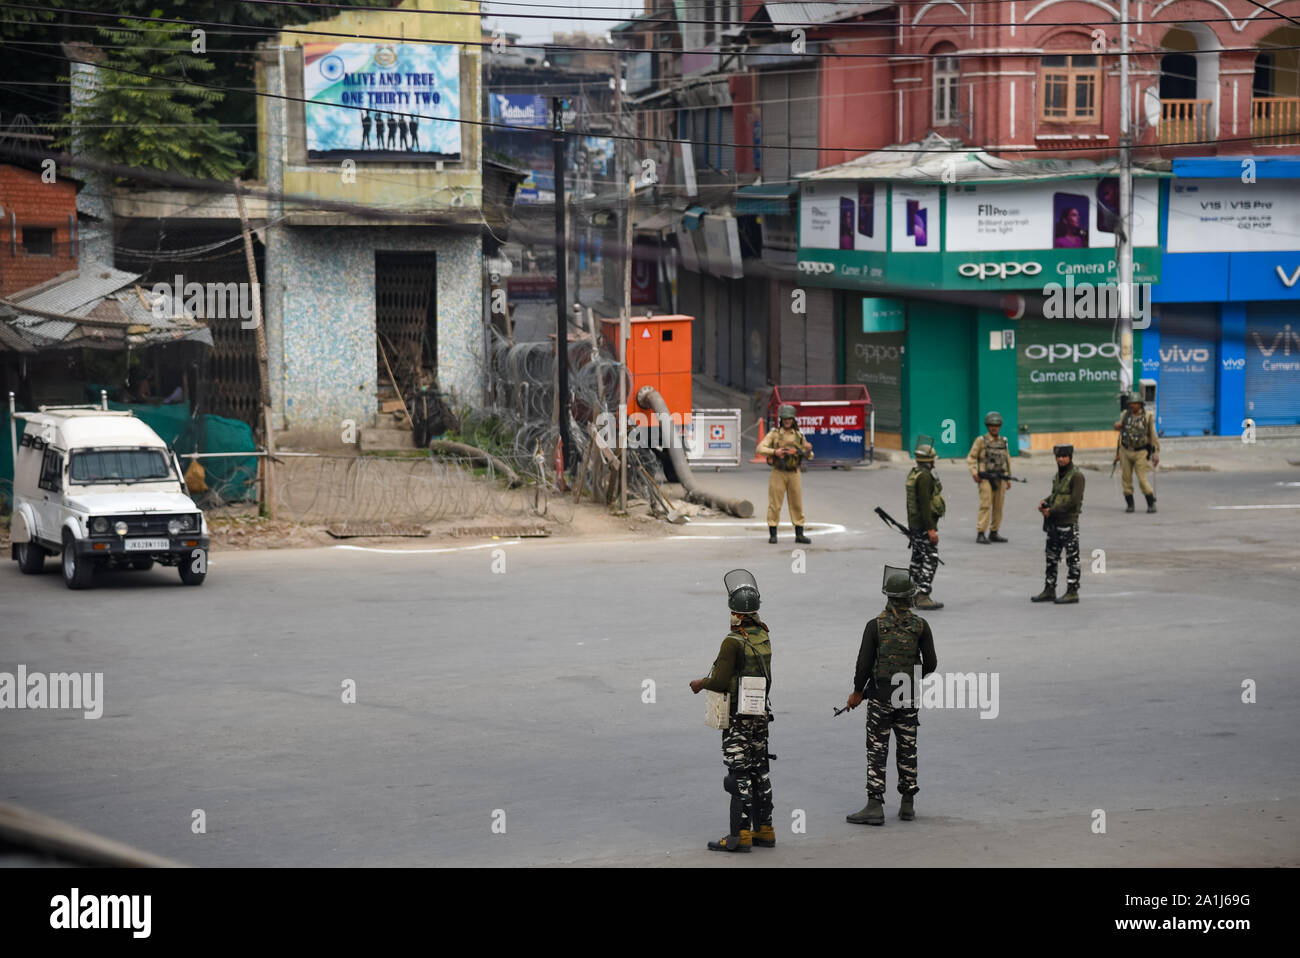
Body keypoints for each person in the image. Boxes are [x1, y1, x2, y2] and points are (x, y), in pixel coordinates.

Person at [689, 570, 775, 853]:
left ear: (736, 614)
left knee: (738, 774)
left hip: (738, 718)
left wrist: (700, 684)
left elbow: (720, 680)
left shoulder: (732, 642)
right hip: (760, 714)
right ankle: (765, 829)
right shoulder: (764, 635)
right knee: (760, 769)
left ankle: (739, 836)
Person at [845, 566, 937, 826]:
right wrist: (911, 679)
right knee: (908, 747)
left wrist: (857, 692)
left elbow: (863, 665)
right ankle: (907, 804)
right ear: (910, 598)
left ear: (888, 597)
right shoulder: (921, 626)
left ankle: (875, 805)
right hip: (907, 695)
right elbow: (931, 663)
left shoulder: (874, 626)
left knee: (877, 748)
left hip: (880, 696)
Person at [1033, 444, 1085, 604]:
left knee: (1072, 558)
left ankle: (1072, 591)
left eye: (1064, 456)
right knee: (1051, 557)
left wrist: (1052, 510)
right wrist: (1046, 501)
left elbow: (1074, 500)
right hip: (1054, 523)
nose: (1061, 459)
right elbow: (1056, 494)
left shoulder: (1077, 476)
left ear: (1070, 457)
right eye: (1058, 456)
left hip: (1068, 522)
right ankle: (1049, 589)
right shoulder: (1059, 475)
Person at [756, 404, 814, 544]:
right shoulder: (775, 434)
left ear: (793, 420)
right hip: (778, 472)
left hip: (794, 472)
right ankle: (773, 533)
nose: (787, 421)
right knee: (775, 504)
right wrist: (775, 452)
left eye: (790, 418)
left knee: (797, 503)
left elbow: (810, 455)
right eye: (785, 418)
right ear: (781, 419)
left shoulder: (799, 436)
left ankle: (799, 534)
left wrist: (807, 450)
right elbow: (760, 448)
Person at [905, 441, 945, 610]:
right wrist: (930, 529)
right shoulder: (925, 477)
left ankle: (907, 595)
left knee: (918, 558)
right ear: (929, 460)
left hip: (915, 525)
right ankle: (922, 596)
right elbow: (924, 505)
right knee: (931, 558)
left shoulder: (914, 473)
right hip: (923, 526)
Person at [966, 411, 1012, 544]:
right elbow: (971, 457)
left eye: (996, 425)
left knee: (998, 506)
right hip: (985, 478)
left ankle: (994, 532)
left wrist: (1008, 478)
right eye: (991, 425)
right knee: (985, 505)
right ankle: (981, 532)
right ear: (987, 426)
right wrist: (974, 472)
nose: (994, 427)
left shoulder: (1004, 441)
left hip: (1000, 477)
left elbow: (1007, 460)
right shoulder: (981, 441)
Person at [1114, 392, 1159, 513]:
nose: (1132, 405)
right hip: (1126, 450)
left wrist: (1156, 453)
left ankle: (1151, 503)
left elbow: (1153, 436)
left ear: (1140, 404)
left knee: (1142, 479)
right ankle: (1130, 504)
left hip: (1141, 452)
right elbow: (1121, 434)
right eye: (1130, 403)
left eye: (1134, 403)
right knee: (1126, 478)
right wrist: (1117, 453)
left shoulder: (1148, 416)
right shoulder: (1125, 415)